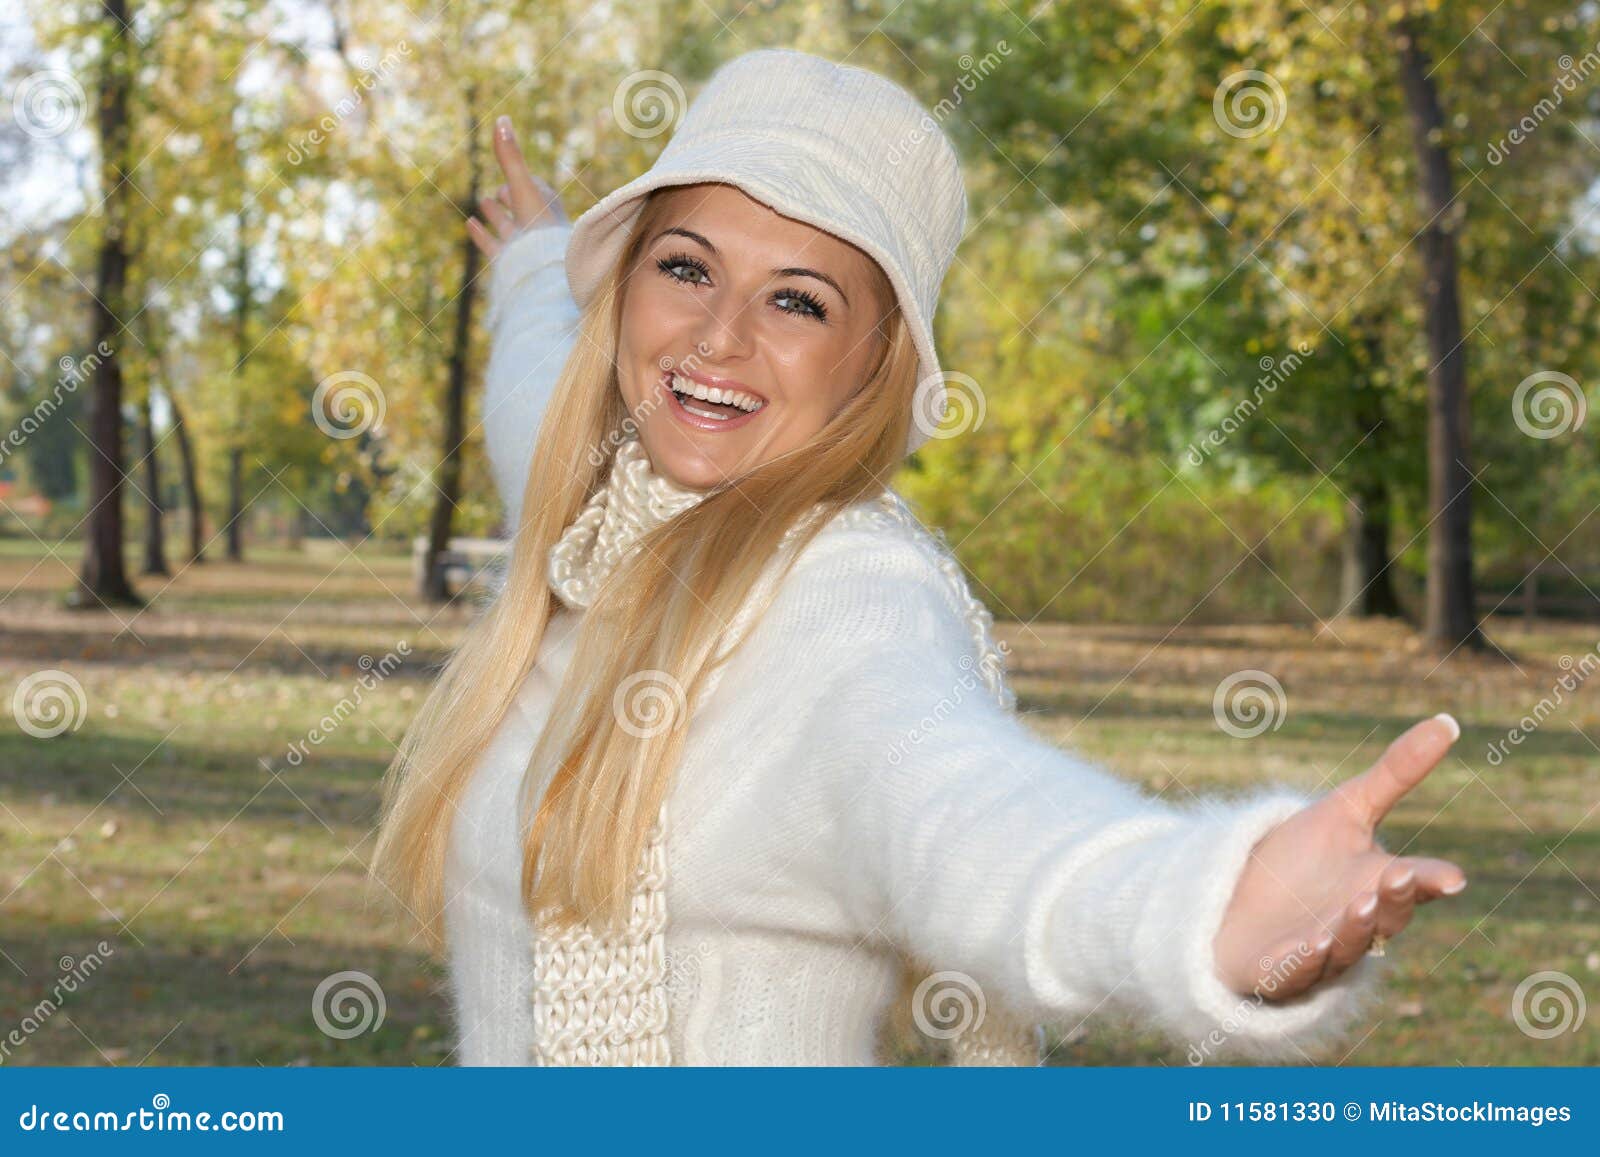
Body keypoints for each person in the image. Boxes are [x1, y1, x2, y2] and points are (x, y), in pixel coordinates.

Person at [371, 47, 1468, 1067]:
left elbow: (966, 813)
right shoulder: (586, 504)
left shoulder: (847, 596)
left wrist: (1201, 908)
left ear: (875, 363)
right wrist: (527, 262)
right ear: (622, 299)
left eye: (797, 299)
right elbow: (534, 379)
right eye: (684, 268)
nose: (716, 336)